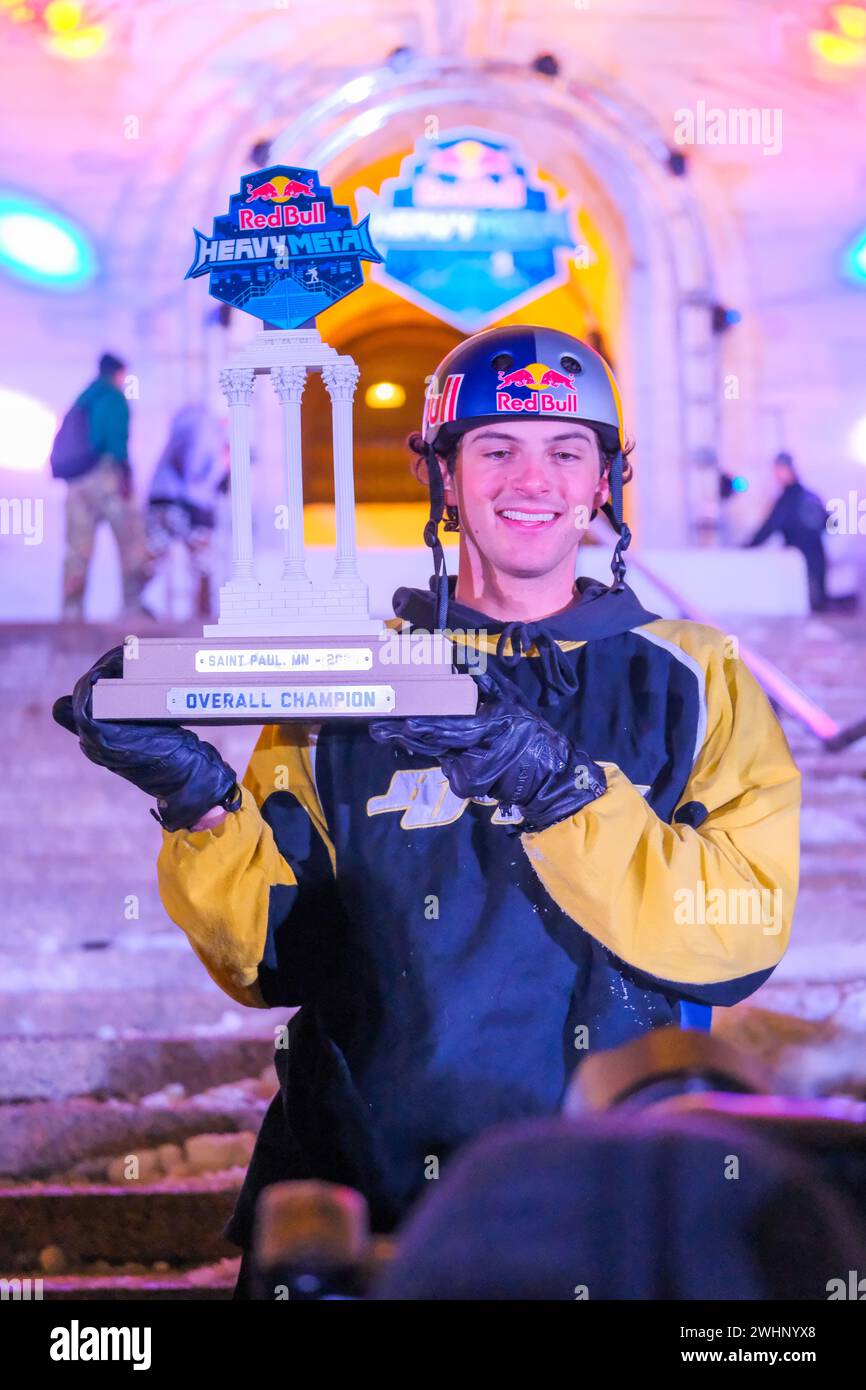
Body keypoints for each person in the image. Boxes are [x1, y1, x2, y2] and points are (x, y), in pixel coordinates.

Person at [53, 327, 801, 1297]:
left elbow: (737, 928)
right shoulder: (353, 674)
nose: (530, 477)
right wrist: (198, 802)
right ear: (443, 475)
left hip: (609, 1197)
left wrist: (552, 787)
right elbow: (281, 953)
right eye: (494, 447)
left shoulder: (694, 674)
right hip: (360, 1190)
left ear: (604, 481)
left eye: (565, 450)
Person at [59, 352, 152, 620]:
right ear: (118, 373)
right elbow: (116, 442)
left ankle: (71, 612)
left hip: (77, 484)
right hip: (107, 478)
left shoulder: (83, 398)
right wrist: (126, 476)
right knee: (131, 543)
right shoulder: (114, 398)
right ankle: (131, 608)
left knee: (77, 551)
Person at [146, 404, 227, 619]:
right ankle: (204, 613)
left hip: (161, 500)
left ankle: (136, 605)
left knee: (154, 557)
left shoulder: (183, 429)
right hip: (187, 504)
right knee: (203, 561)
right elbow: (196, 472)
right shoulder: (207, 431)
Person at [745, 452, 830, 612]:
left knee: (808, 613)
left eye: (777, 470)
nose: (775, 475)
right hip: (817, 559)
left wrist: (747, 547)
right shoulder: (810, 496)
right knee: (818, 611)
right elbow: (830, 523)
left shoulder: (787, 499)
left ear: (786, 469)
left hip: (799, 563)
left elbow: (769, 527)